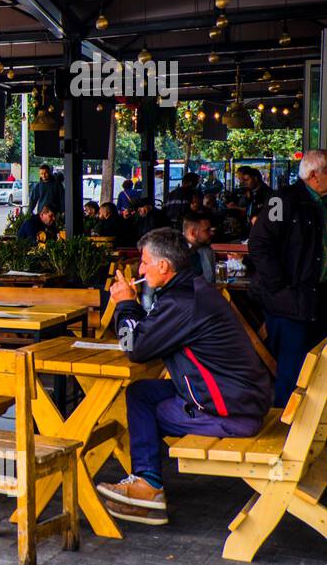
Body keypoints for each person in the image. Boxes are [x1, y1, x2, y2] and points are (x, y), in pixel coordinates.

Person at [101, 229, 272, 526]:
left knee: (147, 413)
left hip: (229, 411)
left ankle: (148, 489)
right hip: (238, 396)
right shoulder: (191, 291)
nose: (140, 270)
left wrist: (126, 305)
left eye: (144, 262)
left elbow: (134, 348)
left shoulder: (183, 302)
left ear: (163, 266)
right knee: (140, 393)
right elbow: (150, 334)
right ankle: (147, 481)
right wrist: (133, 307)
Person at [247, 149, 327, 407]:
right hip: (289, 301)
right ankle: (285, 423)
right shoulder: (281, 200)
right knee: (292, 369)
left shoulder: (323, 203)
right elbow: (259, 243)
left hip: (319, 297)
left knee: (319, 368)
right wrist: (278, 285)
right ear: (314, 175)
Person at [181, 213, 216, 284]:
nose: (212, 233)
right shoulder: (173, 252)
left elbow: (210, 280)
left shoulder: (206, 250)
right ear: (193, 233)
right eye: (207, 230)